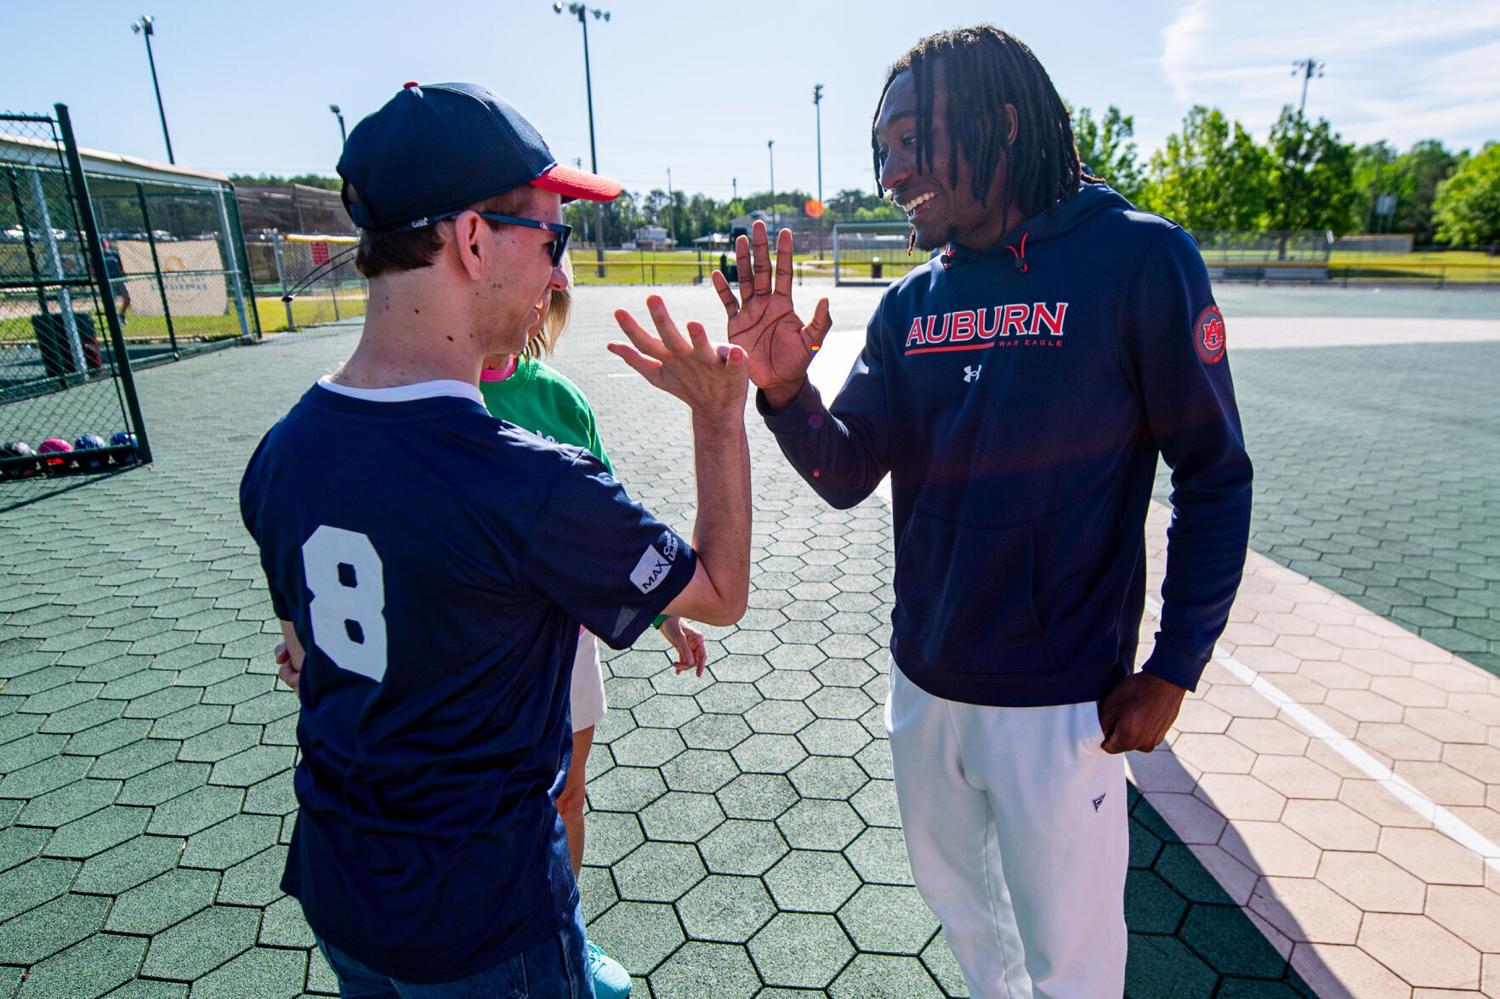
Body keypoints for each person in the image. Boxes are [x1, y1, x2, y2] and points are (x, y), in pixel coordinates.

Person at [714, 26, 1252, 998]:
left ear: (1002, 123)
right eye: (882, 149)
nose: (890, 171)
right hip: (923, 690)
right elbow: (846, 473)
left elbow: (1214, 473)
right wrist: (788, 394)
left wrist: (1176, 667)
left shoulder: (1139, 260)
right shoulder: (915, 304)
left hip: (1057, 707)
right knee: (976, 941)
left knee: (1073, 967)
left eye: (913, 139)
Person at [241, 81, 750, 998]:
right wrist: (718, 420)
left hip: (340, 886)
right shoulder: (528, 480)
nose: (558, 275)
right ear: (473, 241)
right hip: (481, 920)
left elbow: (302, 650)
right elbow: (718, 589)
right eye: (551, 241)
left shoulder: (281, 452)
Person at [477, 253, 707, 997]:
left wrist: (668, 615)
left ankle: (562, 931)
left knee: (564, 794)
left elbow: (614, 528)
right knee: (484, 809)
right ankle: (490, 943)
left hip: (563, 647)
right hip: (470, 654)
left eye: (555, 288)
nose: (543, 299)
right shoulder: (428, 396)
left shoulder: (560, 401)